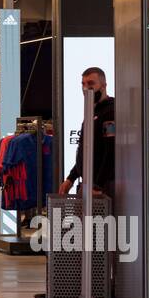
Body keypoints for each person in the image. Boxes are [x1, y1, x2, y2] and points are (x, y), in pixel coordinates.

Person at [59, 67, 115, 199]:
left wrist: (97, 186)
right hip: (89, 184)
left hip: (103, 188)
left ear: (103, 85)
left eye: (91, 84)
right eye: (83, 84)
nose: (85, 88)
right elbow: (86, 150)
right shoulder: (91, 111)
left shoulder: (110, 111)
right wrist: (71, 178)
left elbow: (111, 151)